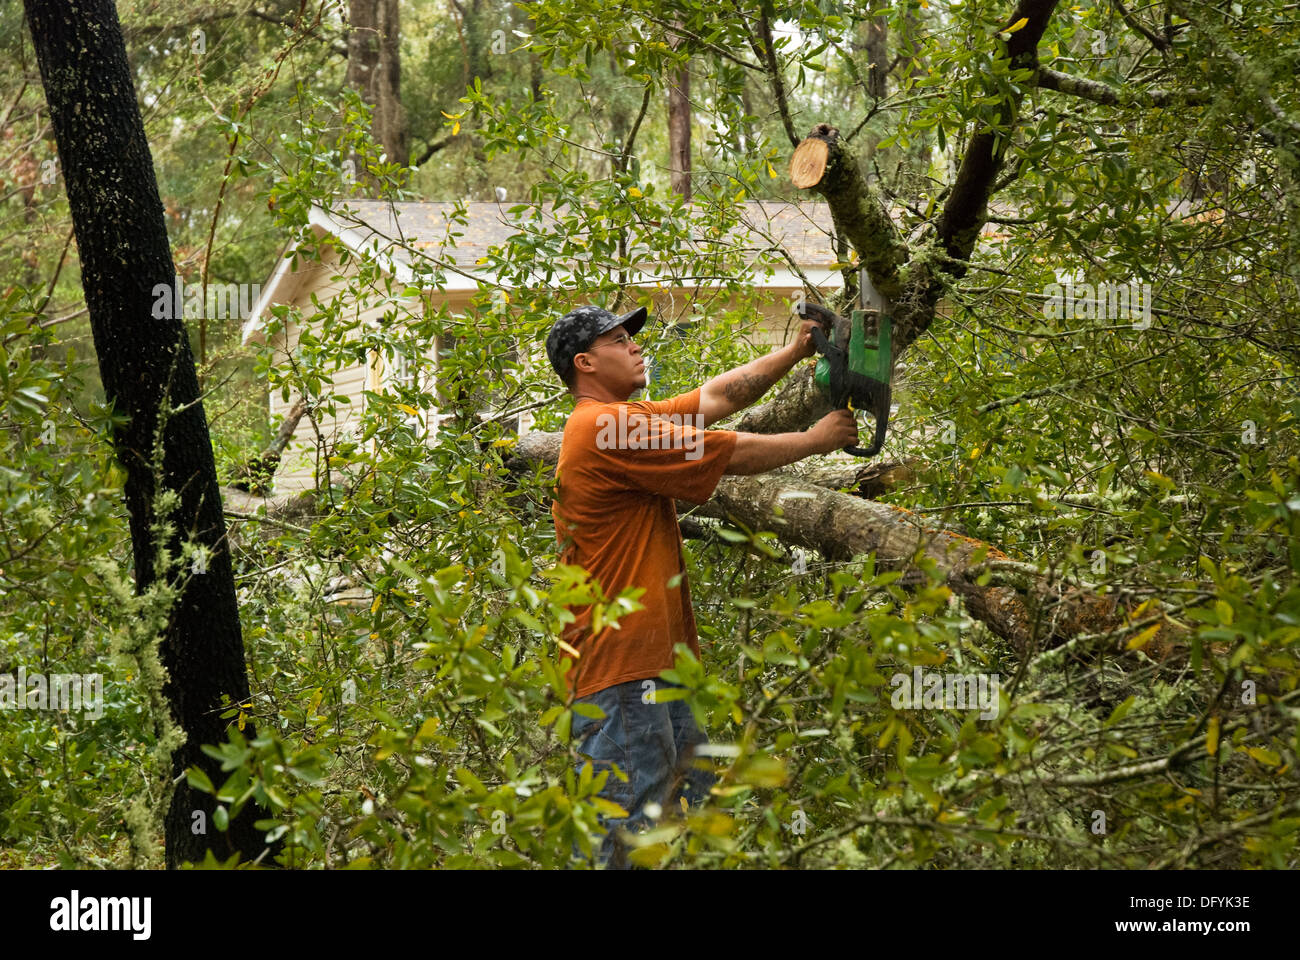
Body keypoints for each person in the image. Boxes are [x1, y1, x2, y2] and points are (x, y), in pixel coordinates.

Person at [544, 302, 859, 868]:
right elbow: (726, 451)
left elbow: (715, 400)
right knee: (625, 832)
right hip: (621, 671)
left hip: (655, 666)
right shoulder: (601, 426)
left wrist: (795, 350)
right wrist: (816, 439)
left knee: (687, 817)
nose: (635, 345)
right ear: (585, 363)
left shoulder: (626, 417)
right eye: (619, 341)